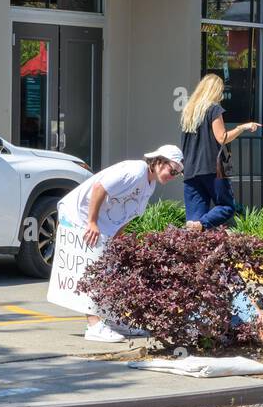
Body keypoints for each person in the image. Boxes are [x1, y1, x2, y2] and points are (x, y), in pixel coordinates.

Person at [59, 145, 184, 342]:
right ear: (159, 161)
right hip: (79, 214)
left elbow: (127, 215)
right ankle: (93, 325)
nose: (173, 175)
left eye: (177, 173)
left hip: (102, 222)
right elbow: (100, 187)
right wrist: (91, 222)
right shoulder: (135, 171)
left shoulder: (149, 185)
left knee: (110, 268)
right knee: (90, 268)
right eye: (172, 170)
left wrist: (117, 240)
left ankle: (112, 319)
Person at [179, 74, 260, 231]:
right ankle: (201, 224)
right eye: (221, 91)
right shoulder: (214, 109)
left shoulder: (188, 113)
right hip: (212, 169)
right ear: (215, 91)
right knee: (226, 207)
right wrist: (242, 127)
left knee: (195, 223)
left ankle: (196, 228)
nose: (222, 95)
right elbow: (222, 137)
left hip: (190, 171)